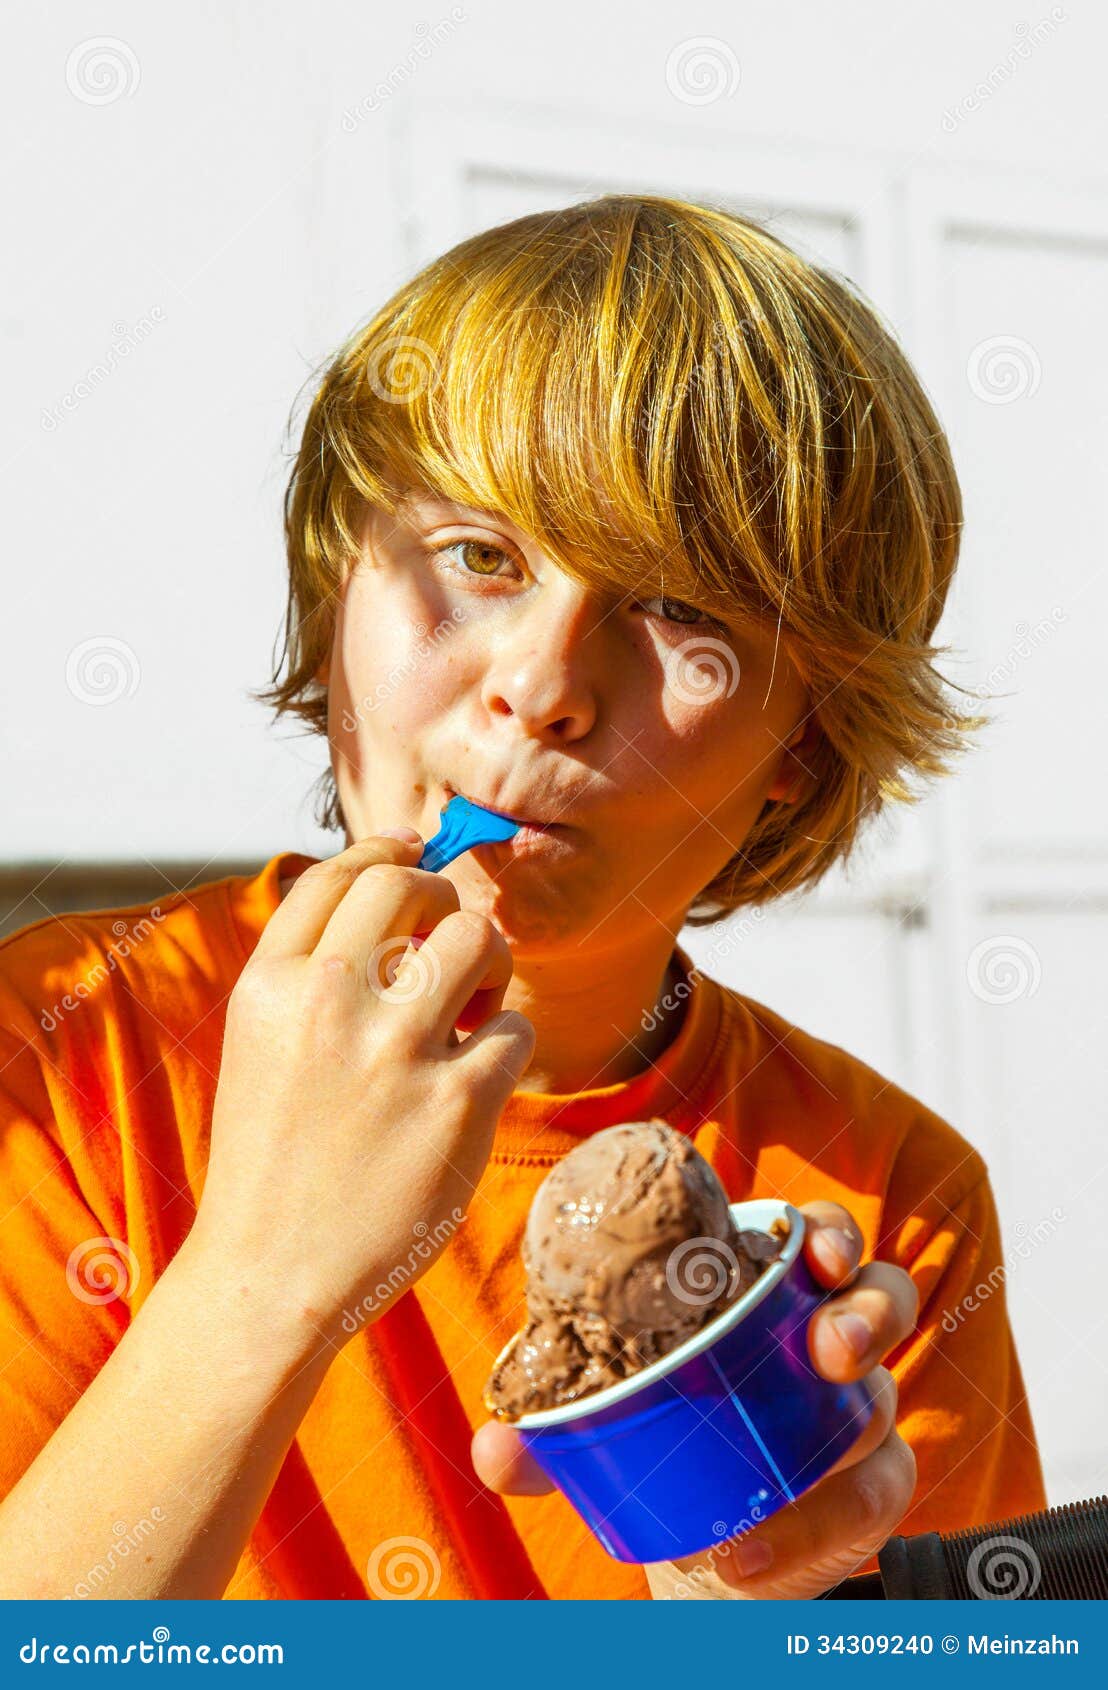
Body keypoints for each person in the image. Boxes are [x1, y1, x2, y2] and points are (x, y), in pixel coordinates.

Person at [0, 195, 1045, 1600]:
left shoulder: (885, 1209)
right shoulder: (59, 1057)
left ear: (804, 746)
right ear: (332, 592)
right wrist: (265, 1274)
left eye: (684, 612)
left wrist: (749, 1612)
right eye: (480, 556)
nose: (545, 686)